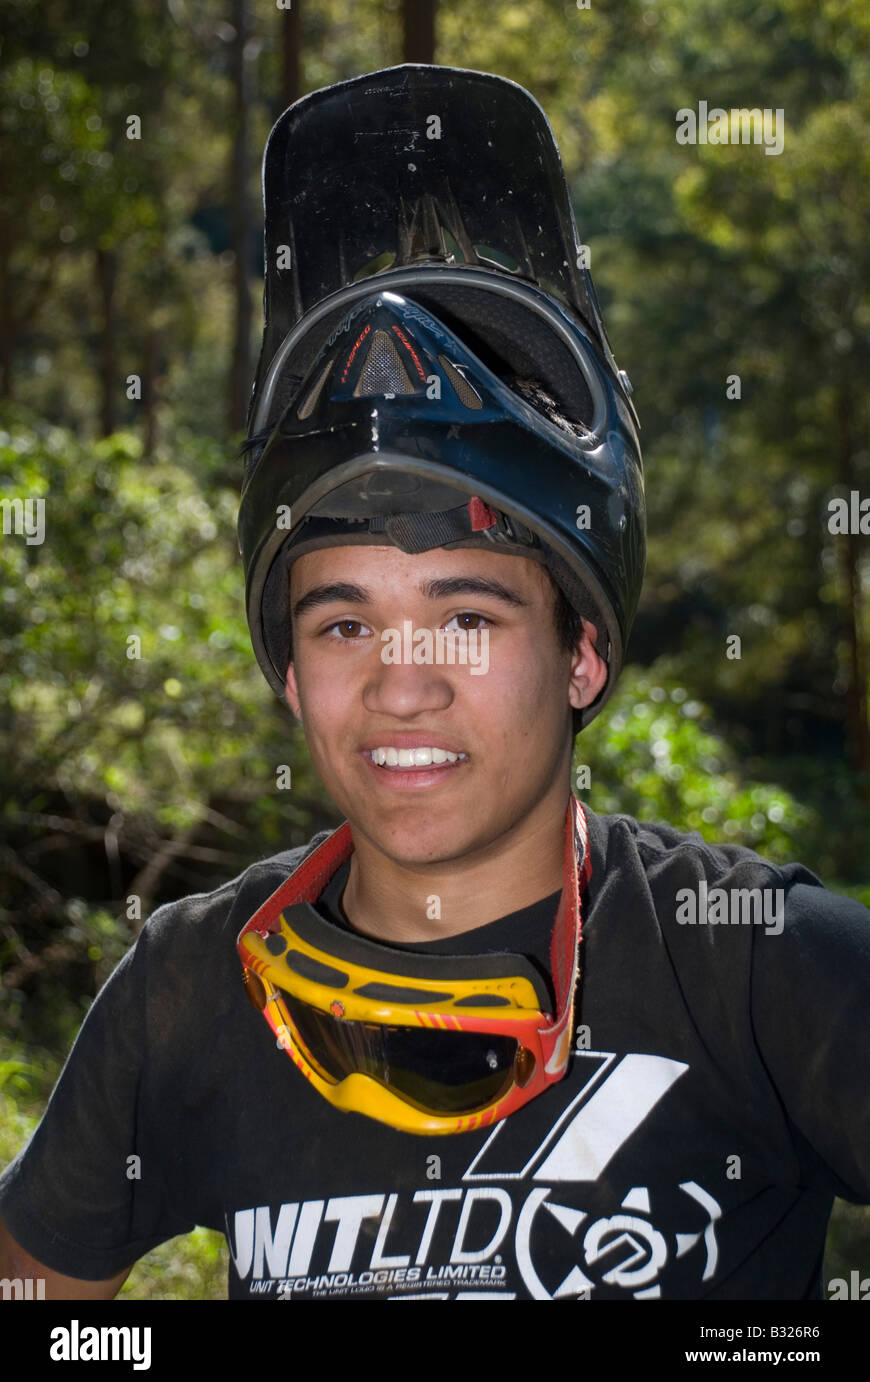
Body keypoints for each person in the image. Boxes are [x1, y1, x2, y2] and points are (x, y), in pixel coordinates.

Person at [1, 64, 868, 1303]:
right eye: (345, 624)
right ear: (292, 680)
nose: (403, 686)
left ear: (582, 654)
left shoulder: (756, 969)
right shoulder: (190, 987)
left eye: (467, 614)